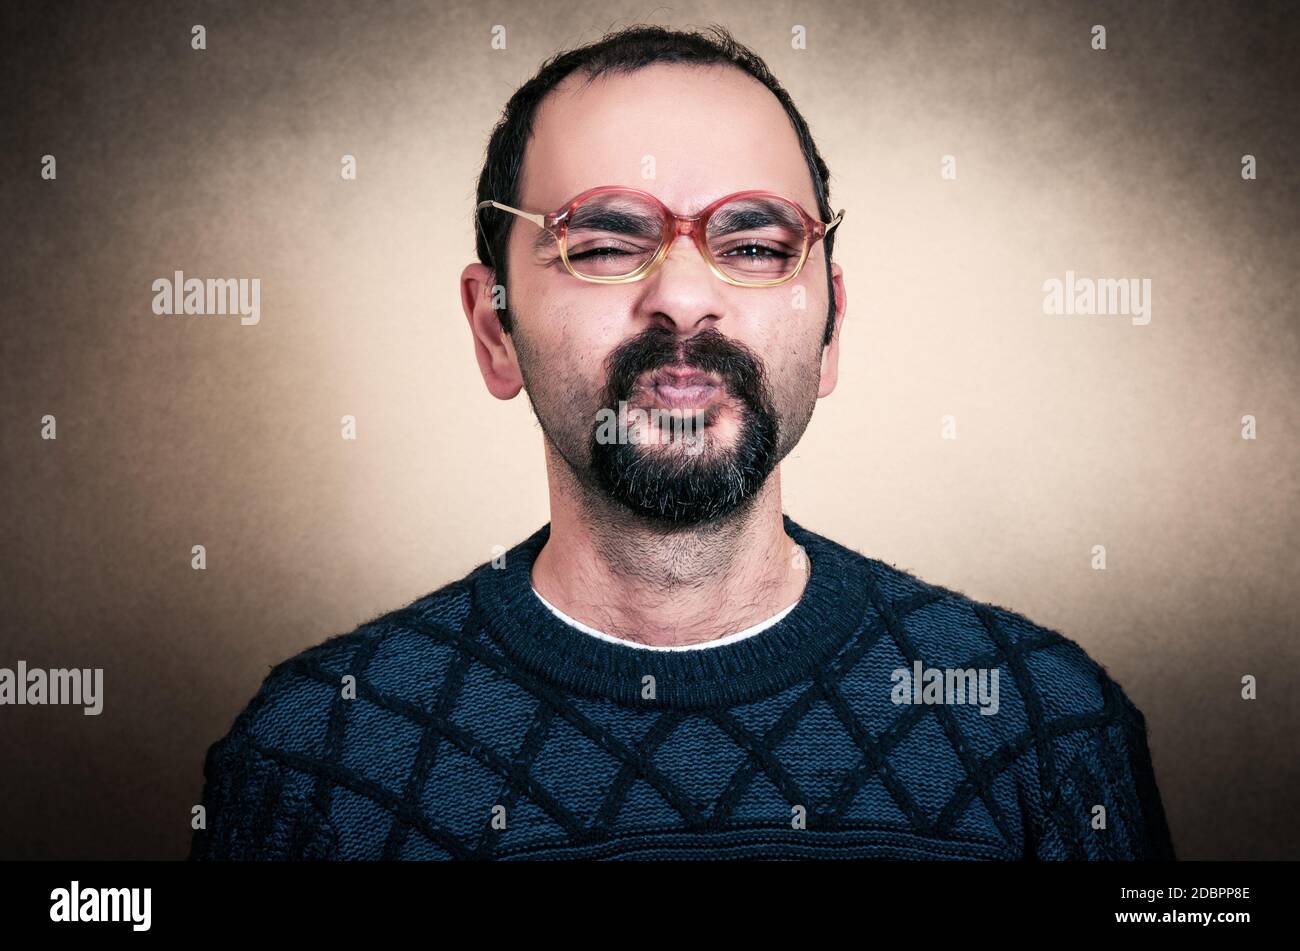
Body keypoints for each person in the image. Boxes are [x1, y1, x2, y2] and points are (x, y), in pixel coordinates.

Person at [189, 23, 1175, 861]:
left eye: (754, 244)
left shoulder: (1045, 728)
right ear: (494, 326)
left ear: (831, 329)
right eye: (608, 241)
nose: (685, 295)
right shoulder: (316, 754)